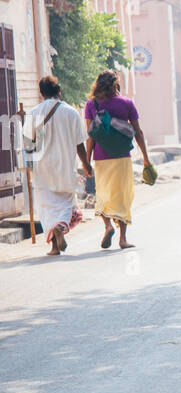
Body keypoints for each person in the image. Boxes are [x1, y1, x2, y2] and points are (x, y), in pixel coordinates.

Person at [22, 76, 91, 255]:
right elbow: (79, 144)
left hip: (42, 168)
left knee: (47, 205)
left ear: (41, 93)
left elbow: (28, 146)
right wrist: (86, 164)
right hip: (65, 167)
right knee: (65, 203)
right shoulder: (71, 112)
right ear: (58, 90)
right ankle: (61, 226)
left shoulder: (34, 113)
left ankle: (54, 245)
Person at [84, 71, 150, 250]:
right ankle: (122, 239)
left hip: (101, 157)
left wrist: (86, 162)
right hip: (122, 157)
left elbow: (90, 136)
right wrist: (146, 159)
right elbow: (138, 133)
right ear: (115, 85)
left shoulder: (91, 104)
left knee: (103, 193)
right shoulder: (127, 103)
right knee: (122, 196)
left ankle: (107, 226)